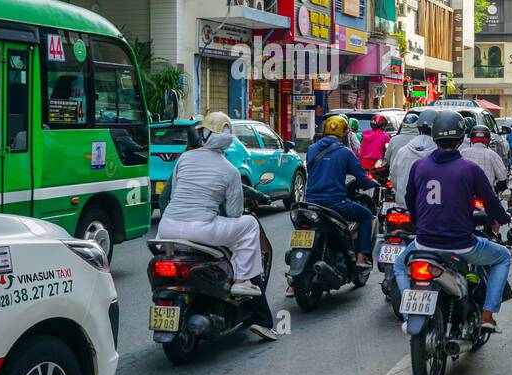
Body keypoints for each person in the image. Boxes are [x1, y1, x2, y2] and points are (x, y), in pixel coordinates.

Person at [156, 111, 276, 340]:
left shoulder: (184, 159)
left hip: (167, 228)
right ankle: (241, 280)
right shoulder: (230, 170)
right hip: (202, 230)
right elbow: (233, 213)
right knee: (249, 224)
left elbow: (175, 193)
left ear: (204, 134)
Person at [392, 111, 512, 332]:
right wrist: (503, 218)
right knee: (503, 257)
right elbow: (492, 203)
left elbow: (410, 200)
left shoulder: (420, 167)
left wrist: (422, 226)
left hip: (424, 243)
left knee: (399, 266)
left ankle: (408, 314)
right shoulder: (470, 169)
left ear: (435, 137)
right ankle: (487, 315)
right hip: (462, 245)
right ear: (461, 138)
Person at [304, 114, 378, 272]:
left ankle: (291, 285)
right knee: (366, 216)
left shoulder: (311, 149)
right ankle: (361, 258)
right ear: (344, 134)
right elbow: (362, 178)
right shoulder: (345, 153)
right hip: (335, 204)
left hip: (309, 204)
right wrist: (373, 183)